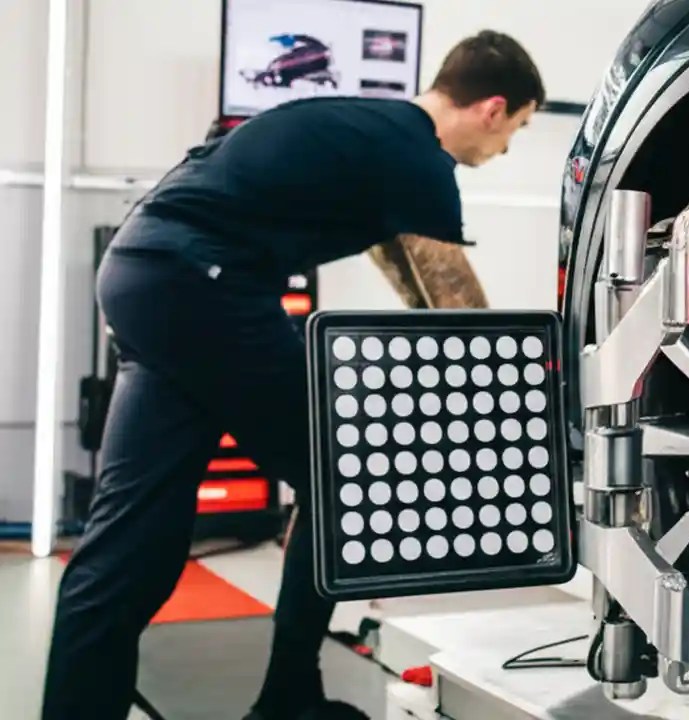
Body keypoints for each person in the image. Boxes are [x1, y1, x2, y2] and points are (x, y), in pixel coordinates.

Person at [40, 30, 544, 720]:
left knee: (132, 544)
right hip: (201, 285)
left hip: (141, 273)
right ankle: (286, 699)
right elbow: (453, 306)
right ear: (492, 107)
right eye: (515, 129)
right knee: (343, 483)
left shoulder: (368, 132)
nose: (506, 147)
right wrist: (534, 397)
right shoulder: (417, 159)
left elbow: (404, 276)